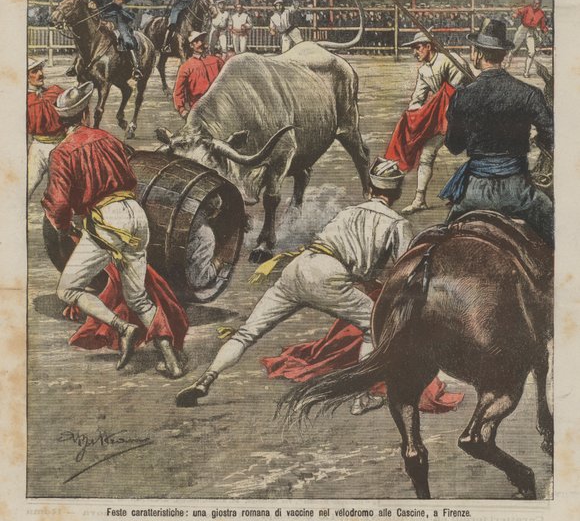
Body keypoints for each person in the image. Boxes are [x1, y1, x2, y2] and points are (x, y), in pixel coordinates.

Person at [175, 158, 412, 412]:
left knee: (247, 332)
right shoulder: (398, 223)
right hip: (331, 276)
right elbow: (405, 270)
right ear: (396, 193)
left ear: (370, 190)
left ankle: (206, 378)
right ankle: (362, 396)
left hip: (299, 267)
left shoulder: (348, 212)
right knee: (374, 325)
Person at [42, 82, 183, 376]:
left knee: (68, 289)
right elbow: (132, 176)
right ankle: (172, 361)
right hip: (136, 215)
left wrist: (64, 227)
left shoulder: (62, 152)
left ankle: (122, 327)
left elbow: (58, 204)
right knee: (138, 297)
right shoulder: (108, 139)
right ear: (86, 113)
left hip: (108, 222)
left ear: (62, 120)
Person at [441, 18, 554, 246]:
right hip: (518, 192)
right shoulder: (529, 94)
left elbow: (454, 146)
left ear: (477, 54)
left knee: (443, 238)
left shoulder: (462, 95)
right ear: (503, 55)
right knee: (557, 232)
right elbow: (551, 135)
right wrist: (536, 137)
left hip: (474, 192)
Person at [395, 30, 468, 213]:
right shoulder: (424, 71)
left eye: (418, 48)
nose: (415, 52)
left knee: (475, 152)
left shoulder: (450, 60)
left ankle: (468, 195)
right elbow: (418, 99)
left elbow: (458, 89)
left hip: (466, 114)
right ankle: (420, 199)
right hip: (444, 118)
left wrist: (445, 105)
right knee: (427, 153)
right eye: (413, 49)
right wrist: (412, 117)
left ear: (429, 46)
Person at [88, 0, 142, 79]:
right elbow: (92, 1)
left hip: (116, 16)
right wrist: (91, 4)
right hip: (99, 17)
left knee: (126, 37)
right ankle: (79, 64)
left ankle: (136, 67)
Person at [27, 57, 66, 200]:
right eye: (34, 71)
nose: (40, 74)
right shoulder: (23, 100)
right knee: (27, 186)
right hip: (38, 147)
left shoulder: (55, 92)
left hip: (60, 146)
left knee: (61, 190)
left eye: (40, 70)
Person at [172, 31, 224, 119]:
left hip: (219, 107)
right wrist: (182, 109)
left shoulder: (216, 61)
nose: (200, 43)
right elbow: (178, 92)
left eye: (201, 40)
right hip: (198, 111)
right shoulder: (186, 67)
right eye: (196, 41)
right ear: (191, 46)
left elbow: (229, 78)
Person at [183, 195, 223, 300]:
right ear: (216, 212)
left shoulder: (183, 217)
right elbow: (197, 279)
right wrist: (215, 266)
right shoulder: (206, 235)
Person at [505, 0, 549, 78]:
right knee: (514, 47)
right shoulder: (528, 8)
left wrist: (545, 30)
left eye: (537, 4)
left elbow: (542, 26)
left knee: (531, 52)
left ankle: (526, 72)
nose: (535, 5)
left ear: (540, 5)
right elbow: (519, 11)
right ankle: (507, 63)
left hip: (531, 31)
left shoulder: (541, 14)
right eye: (534, 3)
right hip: (523, 28)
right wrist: (515, 14)